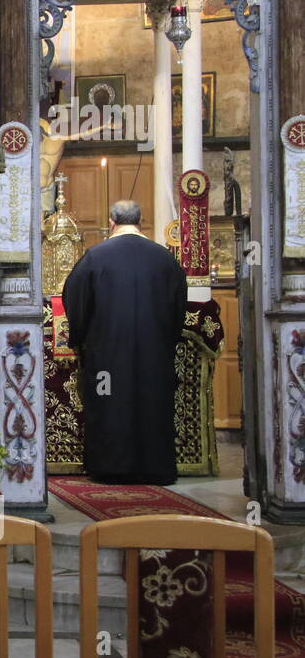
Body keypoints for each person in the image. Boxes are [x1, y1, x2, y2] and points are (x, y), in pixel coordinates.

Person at [62, 200, 187, 485]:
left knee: (109, 403)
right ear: (140, 220)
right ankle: (155, 468)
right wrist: (167, 339)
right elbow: (179, 305)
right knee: (152, 403)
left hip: (107, 355)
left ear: (112, 221)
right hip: (154, 354)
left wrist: (80, 338)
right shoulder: (164, 258)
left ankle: (110, 467)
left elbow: (75, 299)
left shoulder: (96, 256)